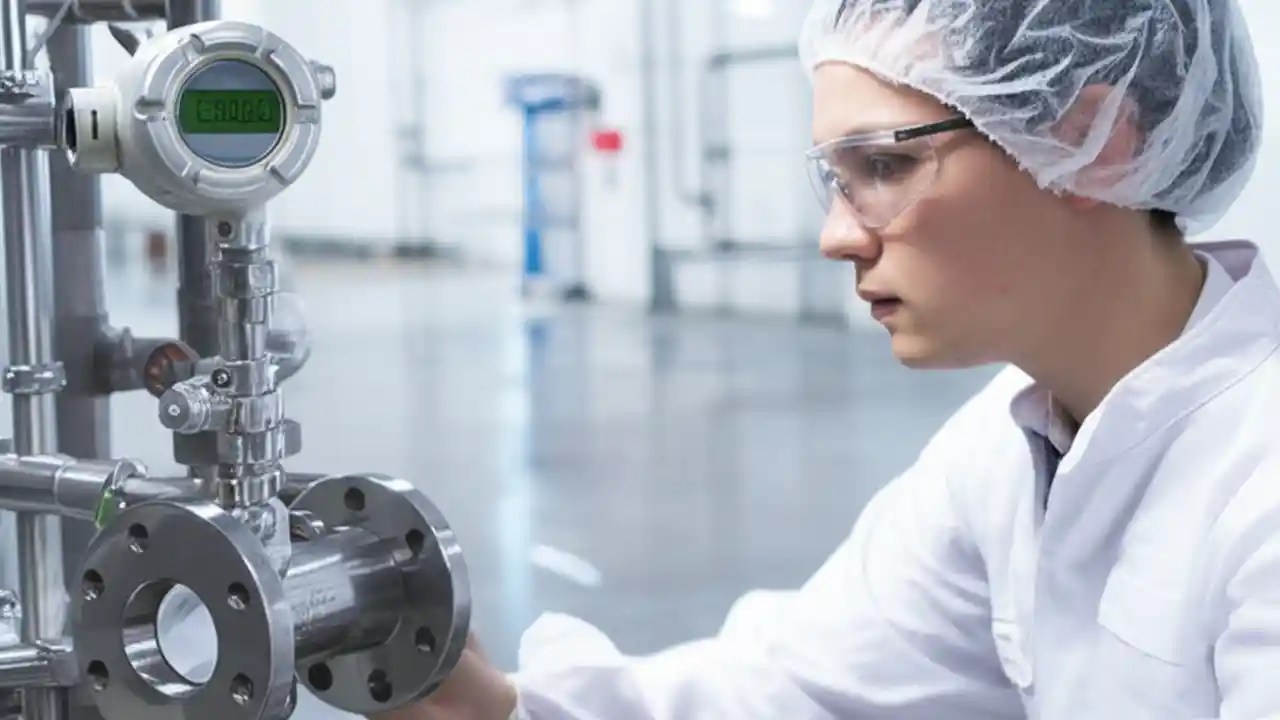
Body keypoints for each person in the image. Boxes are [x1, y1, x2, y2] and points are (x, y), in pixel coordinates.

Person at [381, 0, 1278, 717]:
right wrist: (507, 713)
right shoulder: (1012, 447)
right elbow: (804, 687)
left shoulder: (1259, 488)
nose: (836, 236)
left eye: (884, 167)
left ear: (1093, 144)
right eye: (835, 179)